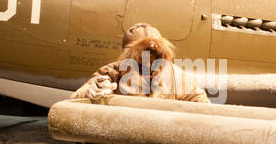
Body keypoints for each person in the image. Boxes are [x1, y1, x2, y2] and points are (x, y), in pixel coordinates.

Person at [72, 23, 209, 103]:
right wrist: (92, 93)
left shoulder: (176, 76)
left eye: (155, 56)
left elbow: (203, 107)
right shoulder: (113, 72)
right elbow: (74, 101)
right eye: (140, 58)